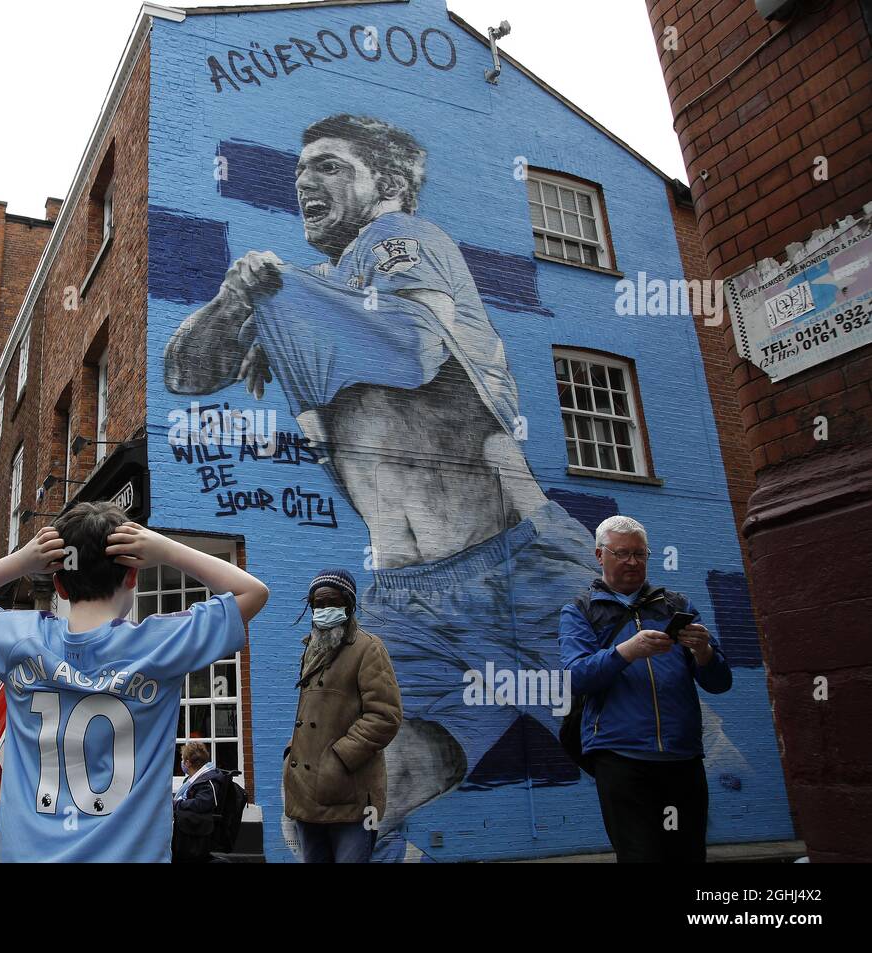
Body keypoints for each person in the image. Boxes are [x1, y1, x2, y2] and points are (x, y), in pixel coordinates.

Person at [164, 114, 600, 849]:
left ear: (389, 183)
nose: (306, 181)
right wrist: (239, 298)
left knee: (653, 741)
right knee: (331, 800)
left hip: (518, 572)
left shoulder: (405, 244)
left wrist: (291, 303)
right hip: (408, 605)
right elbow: (185, 372)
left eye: (329, 166)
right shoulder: (309, 294)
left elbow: (412, 347)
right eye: (302, 170)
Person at [0, 503, 269, 862]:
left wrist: (22, 562)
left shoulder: (20, 637)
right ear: (132, 577)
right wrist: (166, 548)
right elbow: (253, 592)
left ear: (59, 585)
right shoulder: (160, 644)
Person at [558, 515, 733, 862]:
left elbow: (720, 682)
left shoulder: (677, 605)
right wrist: (627, 651)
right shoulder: (580, 609)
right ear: (599, 555)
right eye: (622, 554)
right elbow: (575, 676)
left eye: (640, 554)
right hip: (621, 759)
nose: (633, 562)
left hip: (683, 759)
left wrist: (703, 651)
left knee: (688, 856)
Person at [282, 569, 401, 863]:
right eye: (317, 605)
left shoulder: (368, 648)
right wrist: (291, 754)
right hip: (307, 793)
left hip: (351, 796)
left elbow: (385, 716)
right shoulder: (311, 648)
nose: (323, 611)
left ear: (348, 604)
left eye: (331, 603)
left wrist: (338, 758)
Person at [171, 740, 227, 863]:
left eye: (182, 759)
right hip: (188, 825)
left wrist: (176, 804)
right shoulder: (193, 779)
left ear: (187, 763)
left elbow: (202, 803)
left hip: (193, 831)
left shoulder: (208, 780)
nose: (181, 763)